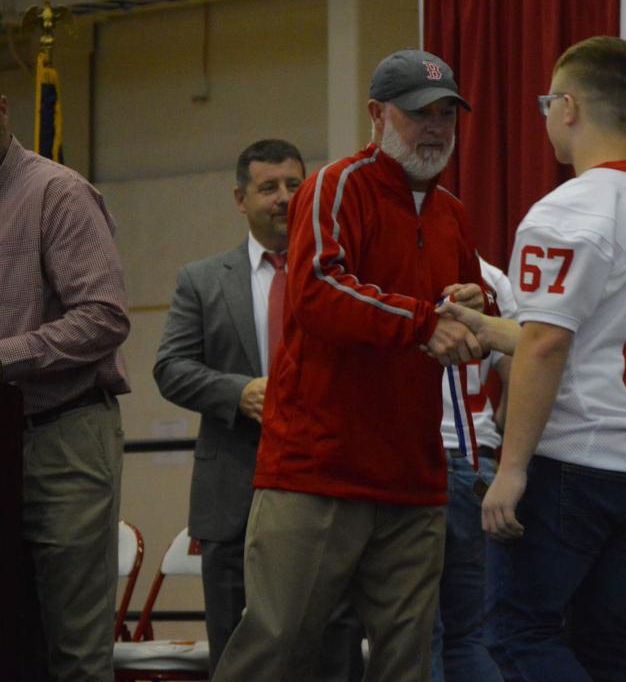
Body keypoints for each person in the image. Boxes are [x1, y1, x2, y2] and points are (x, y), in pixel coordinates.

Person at [212, 49, 489, 682]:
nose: (435, 127)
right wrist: (427, 322)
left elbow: (470, 305)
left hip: (414, 478)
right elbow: (318, 291)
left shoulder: (453, 214)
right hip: (318, 471)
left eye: (446, 113)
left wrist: (478, 307)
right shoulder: (336, 185)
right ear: (376, 115)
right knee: (275, 652)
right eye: (419, 113)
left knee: (408, 664)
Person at [479, 36, 626, 682]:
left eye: (549, 102)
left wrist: (512, 467)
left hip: (579, 460)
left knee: (517, 633)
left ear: (568, 107)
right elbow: (593, 336)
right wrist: (491, 327)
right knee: (608, 645)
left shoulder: (570, 208)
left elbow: (548, 344)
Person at [154, 139, 364, 680]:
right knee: (236, 651)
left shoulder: (341, 277)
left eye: (295, 185)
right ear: (239, 198)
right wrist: (238, 392)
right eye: (268, 187)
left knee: (333, 647)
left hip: (329, 487)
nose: (284, 198)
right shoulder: (201, 280)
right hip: (233, 494)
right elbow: (170, 367)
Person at [0, 93, 131, 681]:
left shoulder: (57, 192)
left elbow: (104, 316)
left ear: (3, 108)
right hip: (7, 435)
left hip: (61, 436)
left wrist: (3, 356)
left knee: (75, 652)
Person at [432, 258, 515, 682]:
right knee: (469, 635)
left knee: (419, 633)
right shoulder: (490, 276)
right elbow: (519, 371)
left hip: (414, 464)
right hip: (474, 458)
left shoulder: (387, 262)